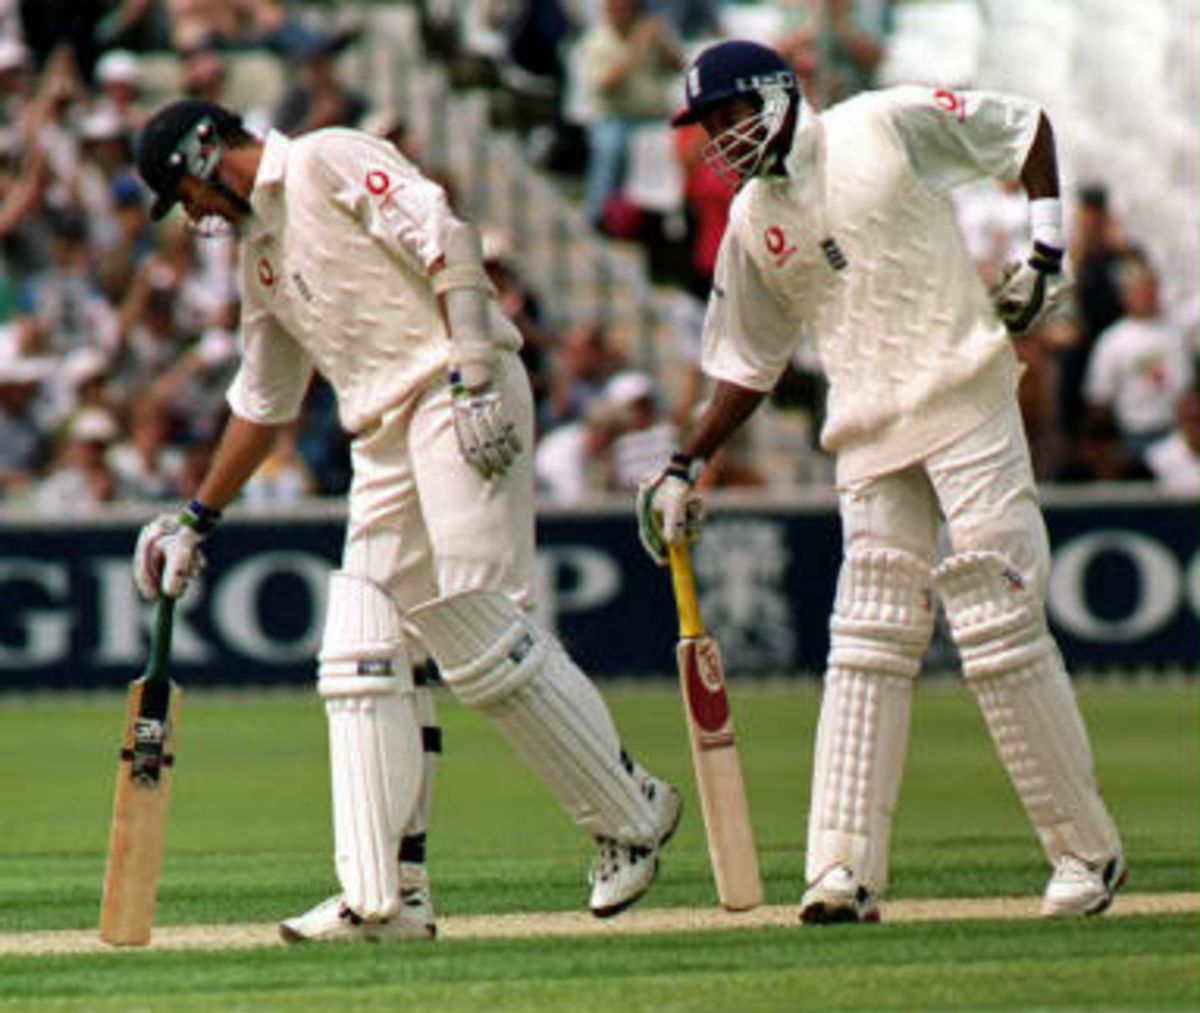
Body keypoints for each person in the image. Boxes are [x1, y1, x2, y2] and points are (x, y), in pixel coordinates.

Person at [129, 98, 680, 943]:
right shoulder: (261, 259)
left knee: (471, 624)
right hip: (381, 435)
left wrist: (470, 371)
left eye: (187, 195)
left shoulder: (325, 159)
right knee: (358, 649)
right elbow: (263, 402)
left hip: (453, 389)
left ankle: (631, 809)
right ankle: (383, 897)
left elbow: (446, 236)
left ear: (206, 154)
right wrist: (197, 518)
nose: (196, 215)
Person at [636, 40, 1125, 923]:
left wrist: (1047, 252)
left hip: (967, 396)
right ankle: (841, 872)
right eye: (708, 126)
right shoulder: (752, 218)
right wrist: (683, 459)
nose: (722, 137)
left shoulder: (879, 124)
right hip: (865, 435)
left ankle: (1086, 856)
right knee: (865, 643)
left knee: (998, 623)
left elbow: (1024, 130)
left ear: (778, 95)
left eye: (729, 114)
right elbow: (748, 362)